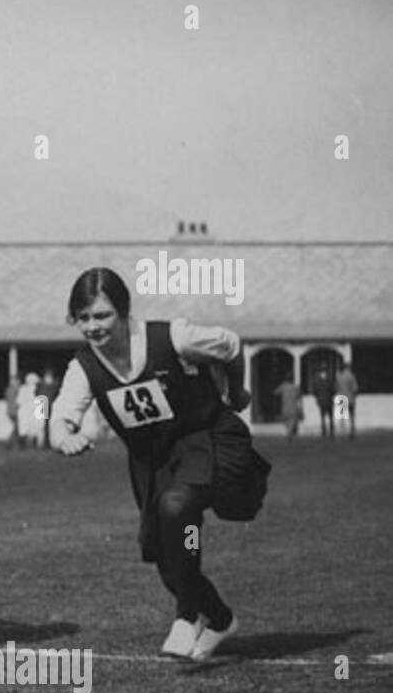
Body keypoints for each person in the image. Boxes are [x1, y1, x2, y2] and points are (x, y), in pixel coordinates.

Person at [49, 267, 270, 662]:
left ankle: (186, 617)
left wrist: (236, 391)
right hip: (153, 460)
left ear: (124, 311)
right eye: (83, 318)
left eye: (102, 315)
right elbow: (60, 416)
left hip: (205, 439)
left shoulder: (173, 337)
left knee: (176, 507)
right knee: (167, 554)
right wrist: (64, 436)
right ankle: (218, 619)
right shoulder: (84, 367)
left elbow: (231, 345)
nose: (93, 326)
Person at [16, 372, 41, 448]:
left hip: (24, 411)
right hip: (32, 411)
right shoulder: (38, 389)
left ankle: (23, 446)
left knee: (24, 429)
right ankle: (33, 446)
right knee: (34, 429)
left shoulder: (22, 389)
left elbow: (19, 401)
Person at [335, 362, 359, 439]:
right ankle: (352, 431)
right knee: (351, 416)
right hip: (350, 398)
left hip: (342, 398)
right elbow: (355, 388)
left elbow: (336, 387)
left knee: (342, 417)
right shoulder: (351, 376)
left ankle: (342, 433)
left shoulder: (338, 377)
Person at [311, 365, 335, 440]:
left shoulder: (317, 379)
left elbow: (314, 390)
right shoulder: (329, 378)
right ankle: (331, 431)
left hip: (321, 400)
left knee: (322, 416)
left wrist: (317, 397)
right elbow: (333, 389)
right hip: (328, 399)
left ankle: (324, 431)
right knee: (330, 416)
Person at [4, 374, 21, 450]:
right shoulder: (12, 390)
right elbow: (15, 401)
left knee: (16, 428)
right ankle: (10, 444)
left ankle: (12, 444)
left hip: (11, 411)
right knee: (16, 428)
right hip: (13, 411)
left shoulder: (10, 389)